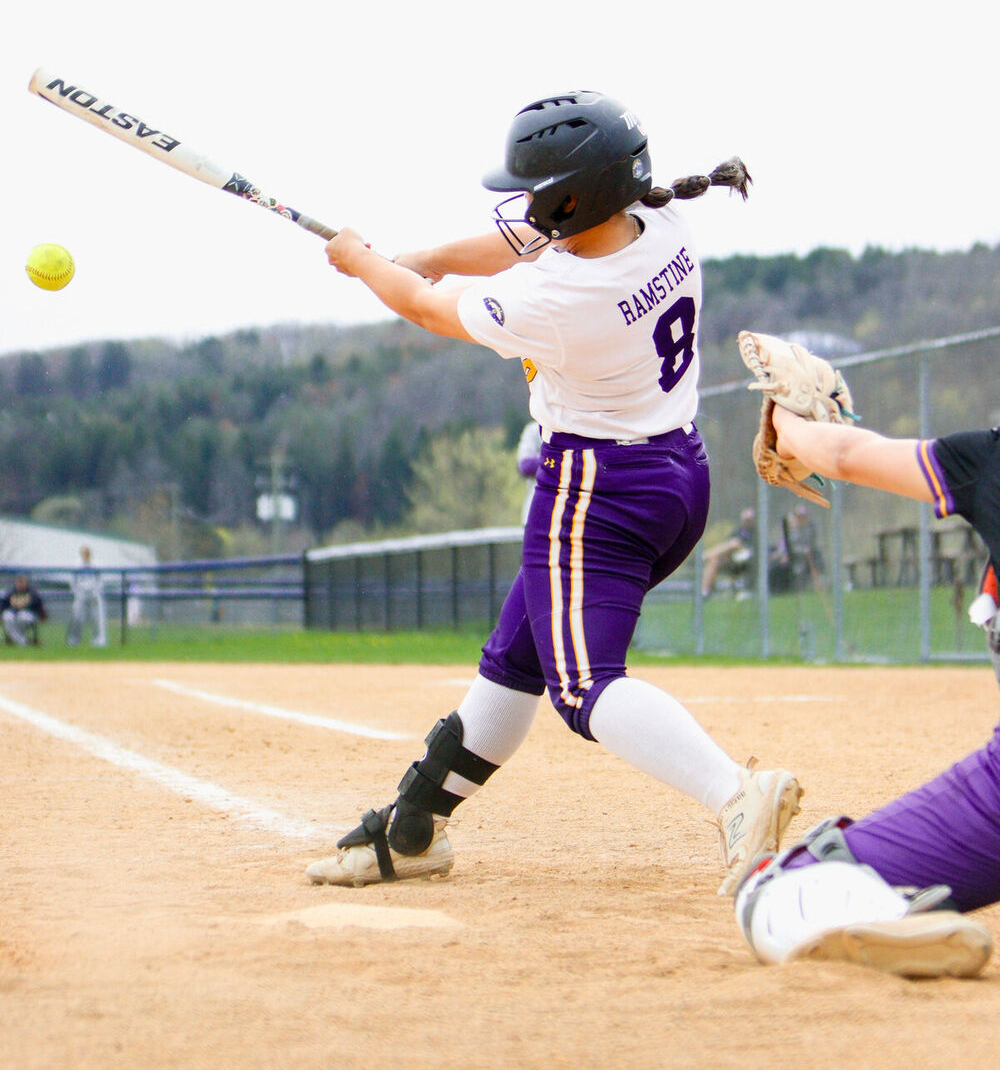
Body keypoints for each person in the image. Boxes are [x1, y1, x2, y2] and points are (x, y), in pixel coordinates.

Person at [310, 90, 802, 895]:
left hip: (595, 491)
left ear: (576, 198)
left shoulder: (564, 299)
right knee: (516, 660)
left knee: (582, 685)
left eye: (538, 190)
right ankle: (416, 826)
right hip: (677, 477)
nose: (523, 203)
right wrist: (423, 253)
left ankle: (736, 796)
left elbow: (429, 311)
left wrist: (366, 263)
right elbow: (512, 243)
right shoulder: (662, 223)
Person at [734, 356, 998, 977]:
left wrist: (784, 419)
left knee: (772, 892)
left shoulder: (988, 463)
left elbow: (847, 454)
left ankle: (872, 907)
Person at [700, 507, 756, 597]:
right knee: (714, 560)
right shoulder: (739, 531)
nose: (747, 522)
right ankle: (704, 591)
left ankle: (705, 556)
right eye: (745, 520)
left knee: (734, 543)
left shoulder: (756, 532)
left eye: (749, 520)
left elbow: (754, 547)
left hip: (749, 555)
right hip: (734, 558)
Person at [67, 545, 107, 647]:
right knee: (77, 617)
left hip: (94, 594)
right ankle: (74, 640)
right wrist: (76, 592)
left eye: (87, 553)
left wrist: (96, 591)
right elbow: (72, 581)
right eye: (84, 553)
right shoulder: (77, 565)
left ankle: (99, 640)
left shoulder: (96, 565)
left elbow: (101, 580)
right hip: (80, 594)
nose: (86, 555)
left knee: (97, 618)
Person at [0, 574, 47, 646]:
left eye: (22, 582)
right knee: (7, 616)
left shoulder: (32, 593)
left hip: (28, 614)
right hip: (13, 613)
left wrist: (42, 615)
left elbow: (39, 606)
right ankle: (24, 641)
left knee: (23, 616)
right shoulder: (10, 592)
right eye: (19, 582)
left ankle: (14, 638)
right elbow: (3, 605)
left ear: (26, 583)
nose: (20, 584)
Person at [515, 419, 543, 525]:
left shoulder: (574, 426)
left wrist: (541, 458)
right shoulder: (534, 429)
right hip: (536, 514)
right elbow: (526, 465)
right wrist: (557, 458)